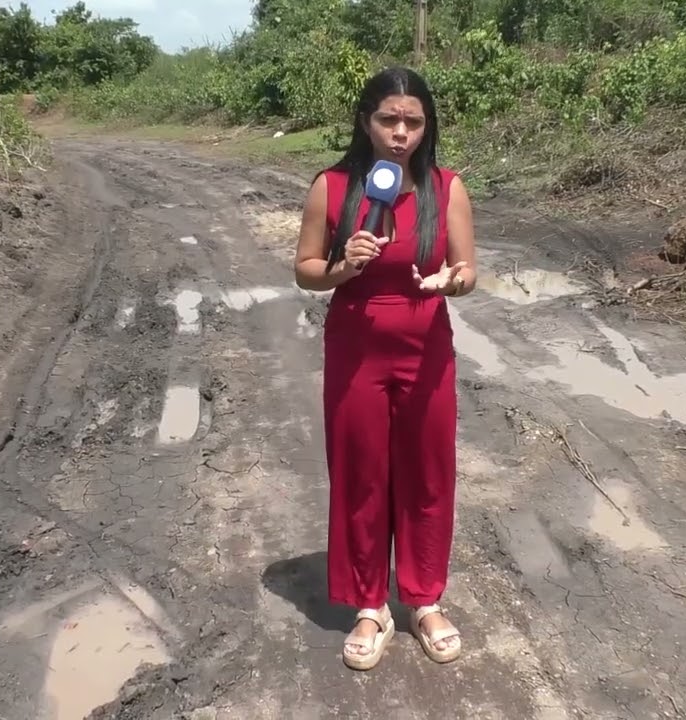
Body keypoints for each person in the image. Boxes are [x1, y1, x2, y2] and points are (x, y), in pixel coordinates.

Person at [293, 66, 478, 671]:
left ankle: (424, 600)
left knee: (428, 475)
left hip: (426, 350)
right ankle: (370, 605)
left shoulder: (446, 188)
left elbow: (467, 270)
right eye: (389, 120)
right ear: (366, 122)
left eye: (414, 122)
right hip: (356, 351)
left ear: (428, 128)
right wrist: (345, 266)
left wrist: (453, 281)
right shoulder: (334, 186)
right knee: (362, 476)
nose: (401, 133)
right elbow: (305, 271)